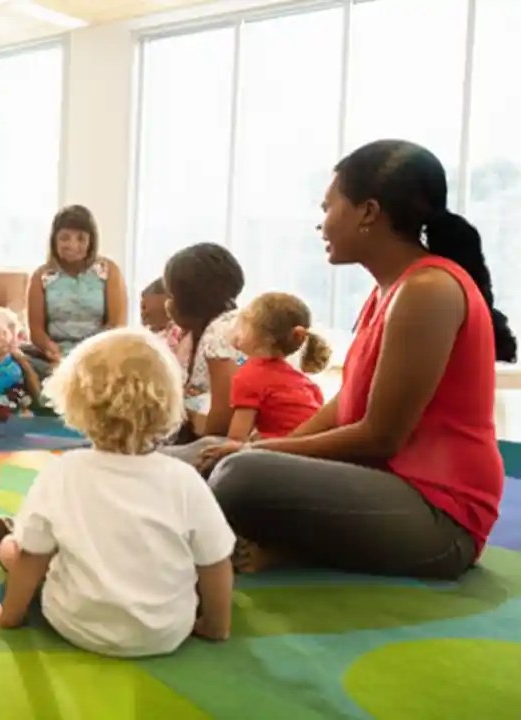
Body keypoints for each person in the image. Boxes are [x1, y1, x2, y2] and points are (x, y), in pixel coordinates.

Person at [207, 139, 516, 580]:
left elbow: (380, 437)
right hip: (388, 488)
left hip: (441, 518)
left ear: (368, 212)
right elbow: (347, 403)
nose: (322, 224)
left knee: (239, 474)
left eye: (329, 207)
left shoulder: (428, 291)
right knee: (207, 456)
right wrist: (268, 449)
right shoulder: (386, 291)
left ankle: (282, 546)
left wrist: (264, 451)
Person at [0, 328, 234, 657]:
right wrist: (216, 625)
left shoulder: (63, 472)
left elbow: (33, 557)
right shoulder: (184, 479)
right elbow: (215, 562)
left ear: (74, 400)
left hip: (75, 623)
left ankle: (7, 536)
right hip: (166, 631)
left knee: (13, 543)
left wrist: (10, 616)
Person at [178, 292, 331, 472]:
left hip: (280, 457)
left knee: (207, 447)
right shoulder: (303, 381)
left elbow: (236, 438)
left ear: (255, 335)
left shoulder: (249, 377)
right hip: (311, 454)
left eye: (242, 326)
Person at [25, 205, 128, 376]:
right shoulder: (41, 276)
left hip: (100, 353)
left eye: (81, 239)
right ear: (54, 240)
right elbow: (36, 331)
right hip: (55, 356)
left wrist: (88, 354)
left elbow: (116, 325)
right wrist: (51, 350)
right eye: (65, 238)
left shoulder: (108, 270)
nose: (72, 245)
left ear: (91, 242)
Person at [161, 243, 245, 442]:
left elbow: (224, 414)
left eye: (171, 296)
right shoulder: (221, 325)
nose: (168, 305)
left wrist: (202, 452)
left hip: (213, 443)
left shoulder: (219, 333)